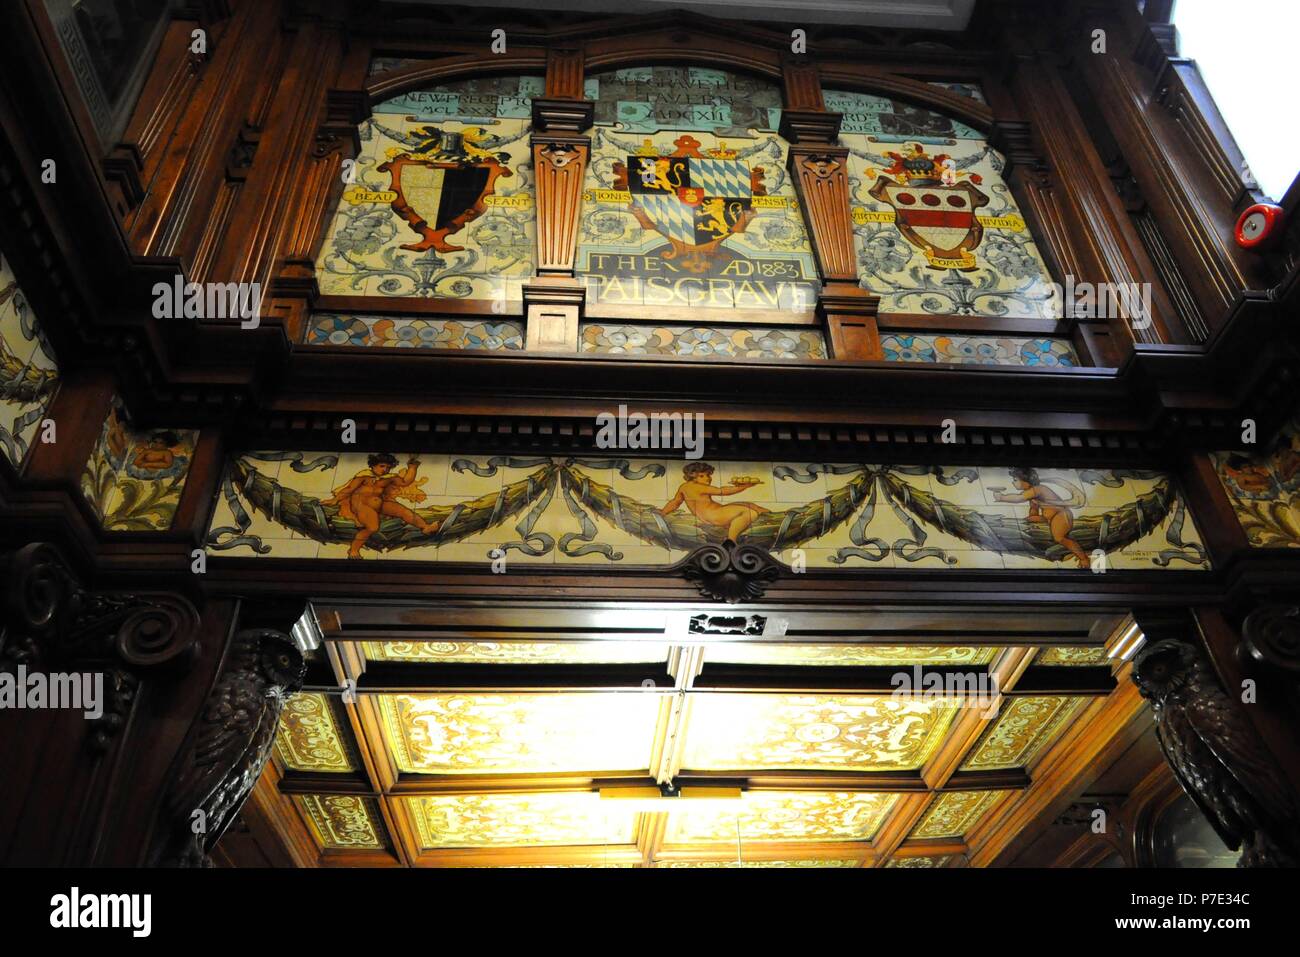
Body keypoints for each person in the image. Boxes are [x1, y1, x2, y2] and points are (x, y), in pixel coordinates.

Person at [323, 453, 440, 559]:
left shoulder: (388, 478)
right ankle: (353, 550)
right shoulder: (364, 476)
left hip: (380, 504)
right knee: (372, 527)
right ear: (373, 465)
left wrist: (412, 466)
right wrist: (335, 500)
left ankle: (425, 527)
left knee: (403, 511)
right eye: (382, 466)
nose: (385, 470)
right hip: (362, 505)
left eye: (388, 467)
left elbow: (405, 482)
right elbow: (349, 489)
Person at [991, 467, 1090, 568]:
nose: (1013, 483)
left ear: (1026, 480)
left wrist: (1002, 497)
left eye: (1015, 480)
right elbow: (1034, 509)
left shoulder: (1038, 489)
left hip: (1060, 515)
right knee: (1030, 519)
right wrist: (1032, 519)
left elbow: (1018, 498)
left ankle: (1084, 558)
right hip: (1049, 517)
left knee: (1059, 537)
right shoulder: (1032, 492)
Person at [659, 462, 769, 541]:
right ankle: (731, 540)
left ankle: (767, 514)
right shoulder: (697, 487)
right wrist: (744, 486)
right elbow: (722, 491)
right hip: (715, 515)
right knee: (749, 512)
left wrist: (663, 512)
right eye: (703, 475)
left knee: (748, 504)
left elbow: (675, 502)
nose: (708, 478)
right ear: (693, 476)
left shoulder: (683, 487)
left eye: (708, 475)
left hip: (712, 515)